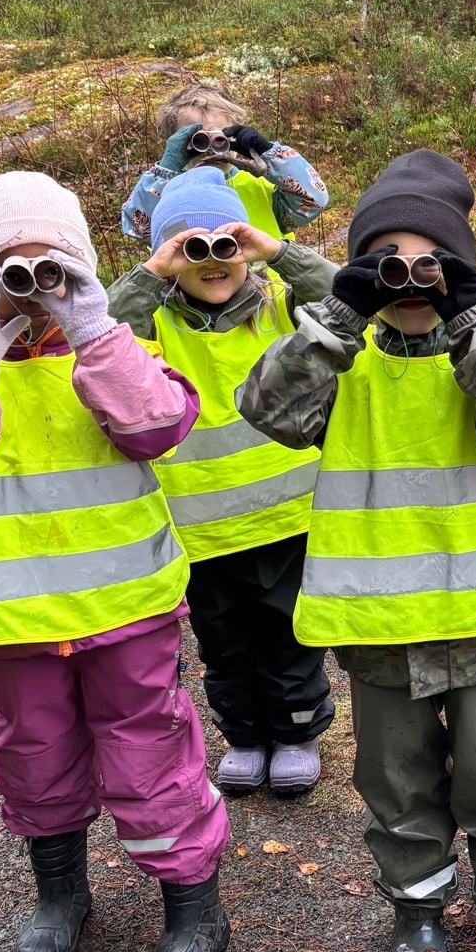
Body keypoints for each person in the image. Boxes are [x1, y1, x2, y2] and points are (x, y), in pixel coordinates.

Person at [0, 169, 232, 952]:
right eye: (12, 272)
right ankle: (60, 893)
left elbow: (156, 425)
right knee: (34, 757)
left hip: (125, 613)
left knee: (149, 755)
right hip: (12, 624)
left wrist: (94, 329)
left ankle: (194, 908)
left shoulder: (116, 355)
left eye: (55, 270)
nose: (34, 290)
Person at [239, 149, 476, 952]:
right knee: (396, 780)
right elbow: (267, 411)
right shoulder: (340, 362)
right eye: (385, 263)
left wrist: (473, 322)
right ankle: (416, 910)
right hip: (376, 622)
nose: (410, 280)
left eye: (432, 264)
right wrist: (337, 317)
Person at [107, 166, 337, 797]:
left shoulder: (280, 306)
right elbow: (99, 339)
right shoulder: (159, 326)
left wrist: (277, 252)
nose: (212, 261)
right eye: (192, 249)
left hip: (288, 517)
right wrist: (151, 274)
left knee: (290, 636)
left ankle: (296, 732)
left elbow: (347, 299)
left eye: (225, 244)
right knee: (223, 643)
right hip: (199, 528)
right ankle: (243, 735)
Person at [122, 79, 329, 244]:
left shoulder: (261, 186)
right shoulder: (170, 193)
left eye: (221, 138)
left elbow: (313, 201)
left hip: (268, 286)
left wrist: (268, 153)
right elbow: (139, 230)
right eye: (198, 140)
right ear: (176, 143)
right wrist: (166, 171)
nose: (210, 148)